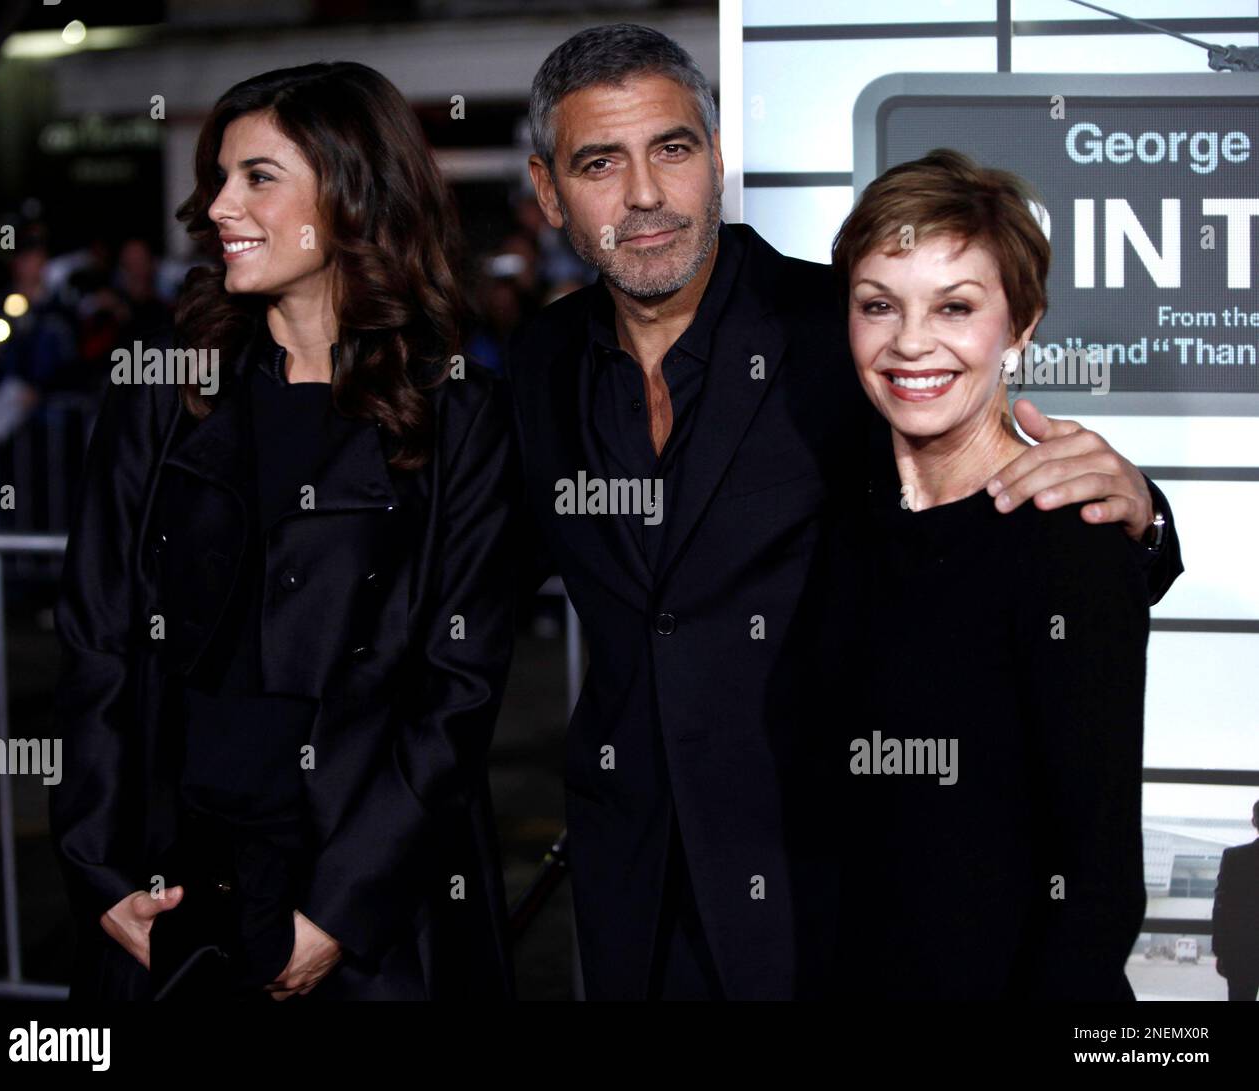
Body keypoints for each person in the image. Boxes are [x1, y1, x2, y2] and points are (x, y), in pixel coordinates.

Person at [507, 23, 1182, 1000]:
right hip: (629, 891)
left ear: (716, 159)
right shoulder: (541, 362)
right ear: (548, 189)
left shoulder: (838, 324)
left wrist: (1142, 514)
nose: (645, 194)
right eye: (600, 162)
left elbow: (983, 527)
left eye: (673, 149)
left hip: (816, 897)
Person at [49, 62, 516, 1001]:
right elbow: (96, 634)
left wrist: (339, 913)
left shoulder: (457, 414)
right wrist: (99, 871)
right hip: (171, 887)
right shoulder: (162, 392)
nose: (221, 204)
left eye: (258, 176)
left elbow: (455, 691)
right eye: (219, 176)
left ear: (351, 193)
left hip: (370, 909)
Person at [830, 149, 1153, 1000]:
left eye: (955, 306)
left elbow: (1100, 885)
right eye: (878, 306)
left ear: (1021, 328)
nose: (910, 341)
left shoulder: (1071, 537)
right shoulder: (839, 513)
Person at [1213, 800, 1259, 1000]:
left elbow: (1222, 907)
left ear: (1254, 821)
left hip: (1242, 951)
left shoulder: (1235, 858)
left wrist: (1221, 949)